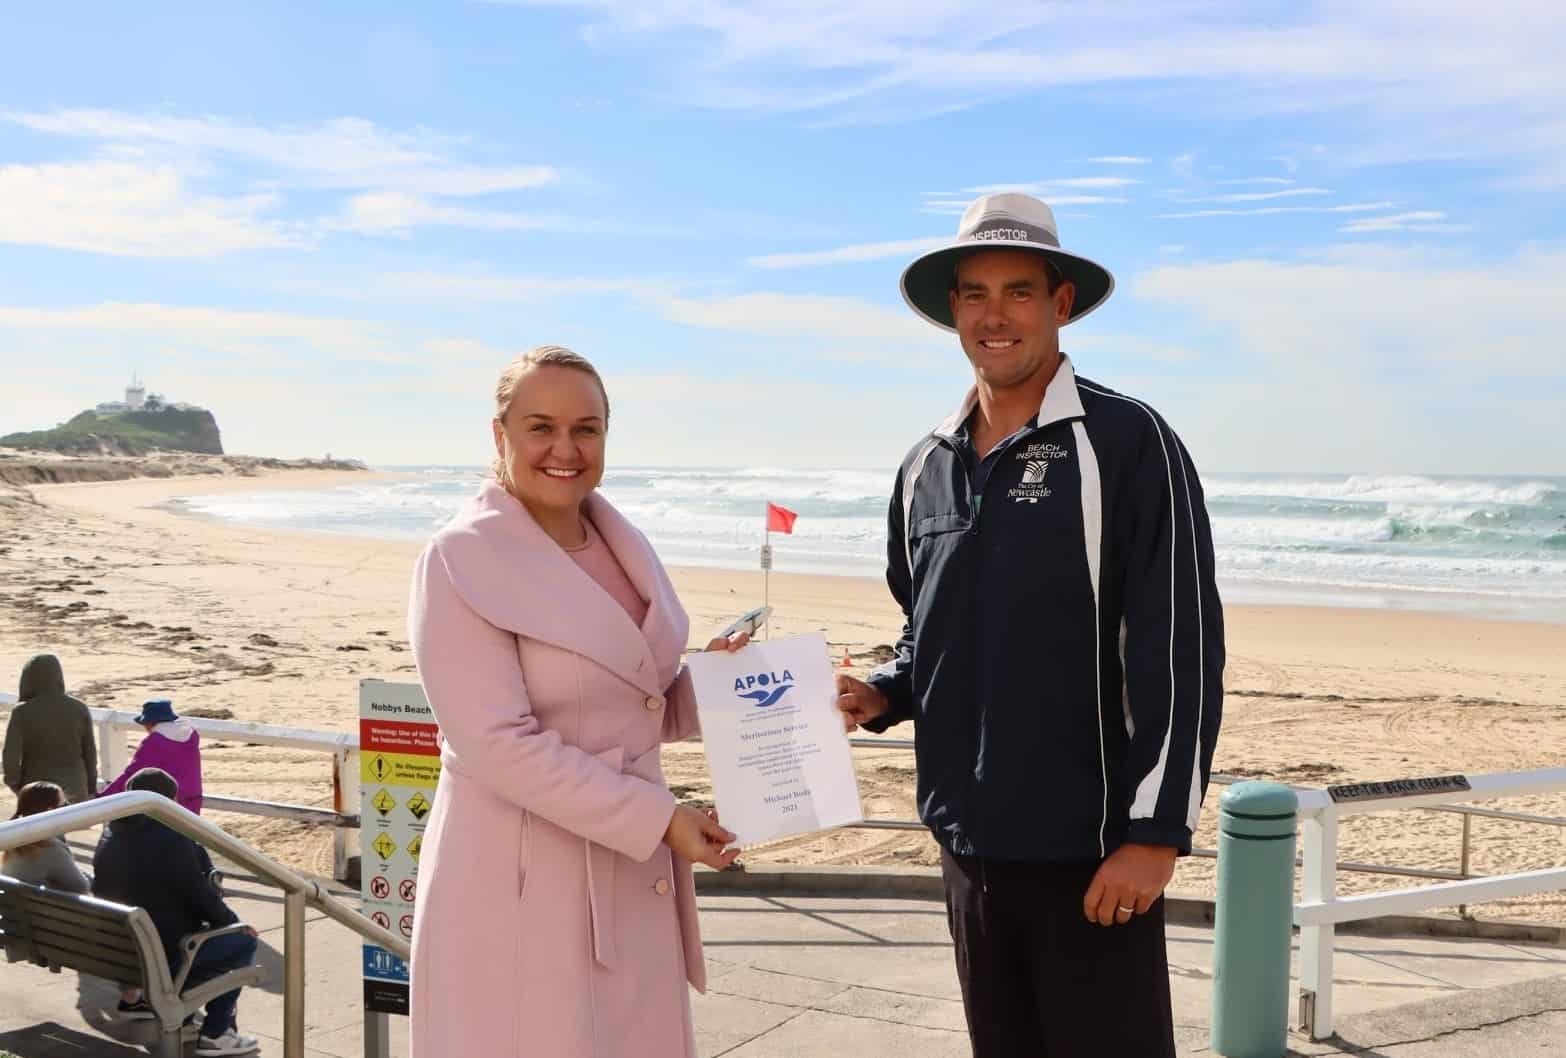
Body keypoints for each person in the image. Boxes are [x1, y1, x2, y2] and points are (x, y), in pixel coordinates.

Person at [837, 192, 1225, 1057]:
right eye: (974, 294)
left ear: (1060, 304)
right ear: (952, 311)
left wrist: (1154, 835)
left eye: (1018, 291)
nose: (994, 315)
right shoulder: (923, 465)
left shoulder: (1128, 442)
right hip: (968, 848)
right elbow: (926, 627)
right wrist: (884, 691)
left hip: (1091, 858)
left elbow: (1182, 648)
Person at [406, 346, 748, 1058]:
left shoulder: (622, 543)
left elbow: (636, 707)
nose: (566, 449)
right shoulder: (460, 557)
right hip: (522, 882)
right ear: (499, 434)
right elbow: (495, 743)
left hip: (628, 864)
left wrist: (733, 689)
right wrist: (662, 821)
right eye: (542, 427)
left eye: (586, 429)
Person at [92, 767, 259, 1057]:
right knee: (241, 943)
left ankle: (184, 1014)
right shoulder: (172, 839)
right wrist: (236, 925)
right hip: (163, 955)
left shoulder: (110, 833)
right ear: (168, 802)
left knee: (210, 938)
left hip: (123, 952)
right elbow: (199, 894)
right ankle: (216, 1033)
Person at [3, 654, 97, 803]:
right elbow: (90, 754)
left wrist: (17, 786)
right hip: (76, 789)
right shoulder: (80, 708)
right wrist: (91, 787)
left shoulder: (22, 712)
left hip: (36, 791)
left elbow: (10, 757)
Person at [98, 699, 204, 814]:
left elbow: (132, 774)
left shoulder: (154, 742)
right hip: (192, 798)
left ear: (149, 723)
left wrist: (104, 797)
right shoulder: (191, 735)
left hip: (167, 801)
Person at [1, 780, 91, 892]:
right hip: (35, 908)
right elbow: (82, 887)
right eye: (64, 804)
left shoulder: (15, 840)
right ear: (50, 811)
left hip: (15, 906)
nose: (69, 807)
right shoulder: (49, 848)